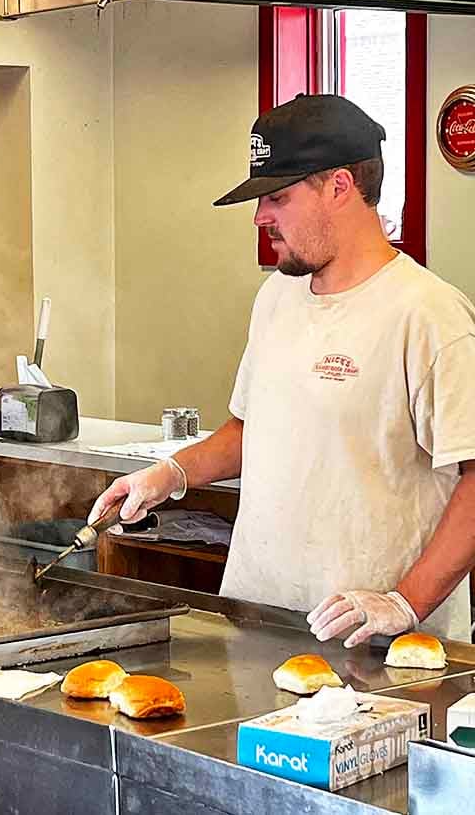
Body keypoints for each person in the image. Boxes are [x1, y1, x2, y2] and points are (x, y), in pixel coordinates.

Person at [89, 93, 475, 647]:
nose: (260, 217)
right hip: (257, 616)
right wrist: (168, 475)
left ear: (340, 186)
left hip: (371, 641)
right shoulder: (277, 297)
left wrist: (405, 602)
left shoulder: (429, 315)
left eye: (277, 197)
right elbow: (251, 429)